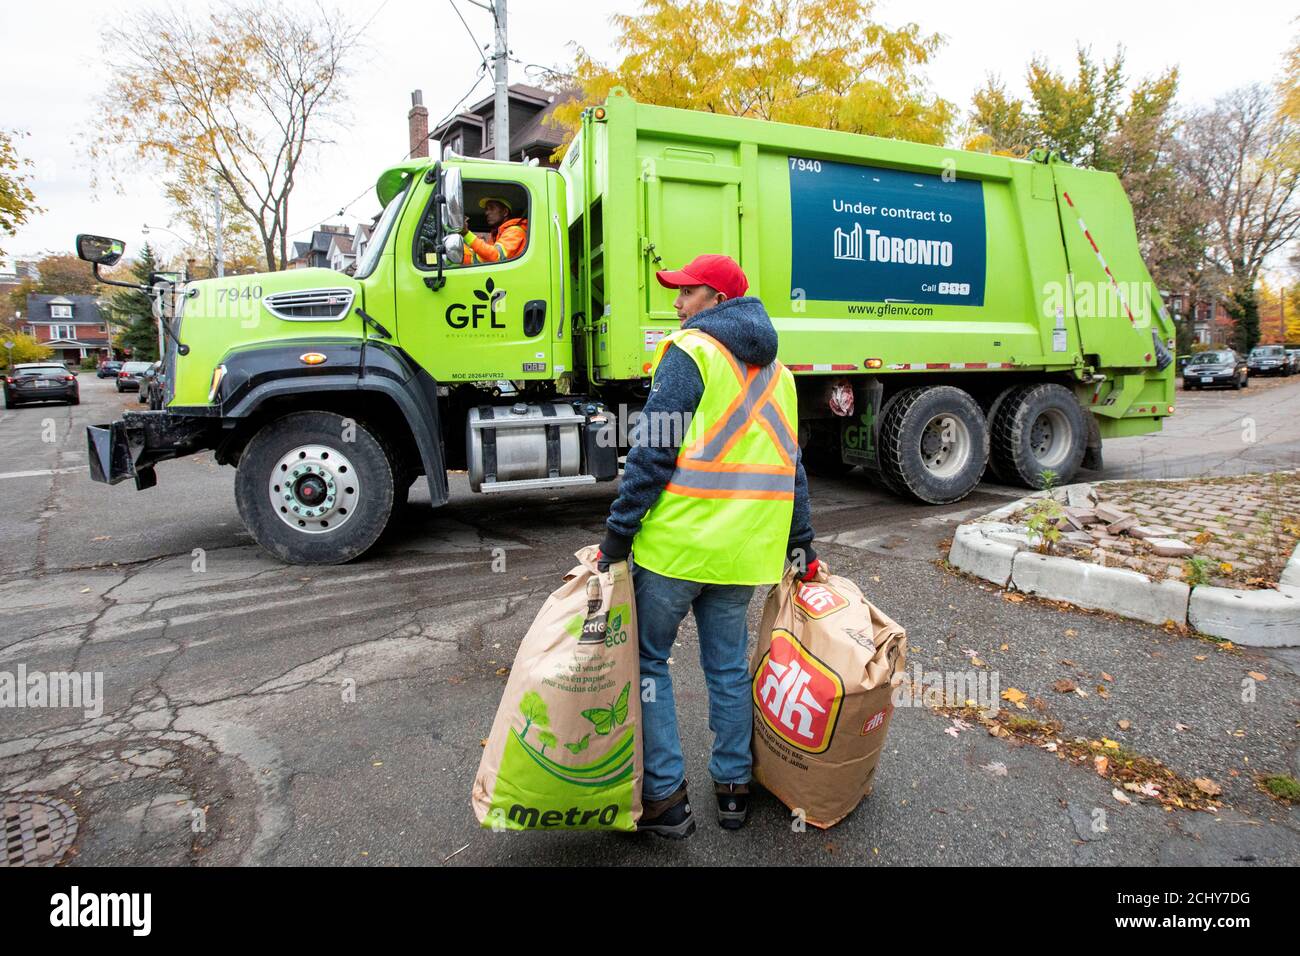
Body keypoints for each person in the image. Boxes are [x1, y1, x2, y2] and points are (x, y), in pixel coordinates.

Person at [597, 253, 817, 838]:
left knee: (647, 662)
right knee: (725, 666)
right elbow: (792, 469)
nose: (676, 304)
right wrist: (803, 546)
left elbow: (651, 451)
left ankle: (666, 800)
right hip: (745, 553)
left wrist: (618, 534)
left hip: (677, 548)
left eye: (687, 292)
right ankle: (734, 789)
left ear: (716, 301)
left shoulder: (689, 353)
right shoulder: (783, 376)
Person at [461, 196, 528, 264]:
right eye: (486, 209)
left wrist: (466, 234)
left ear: (505, 212)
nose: (486, 213)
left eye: (492, 208)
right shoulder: (496, 236)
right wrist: (458, 252)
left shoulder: (515, 231)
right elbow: (480, 259)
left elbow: (496, 256)